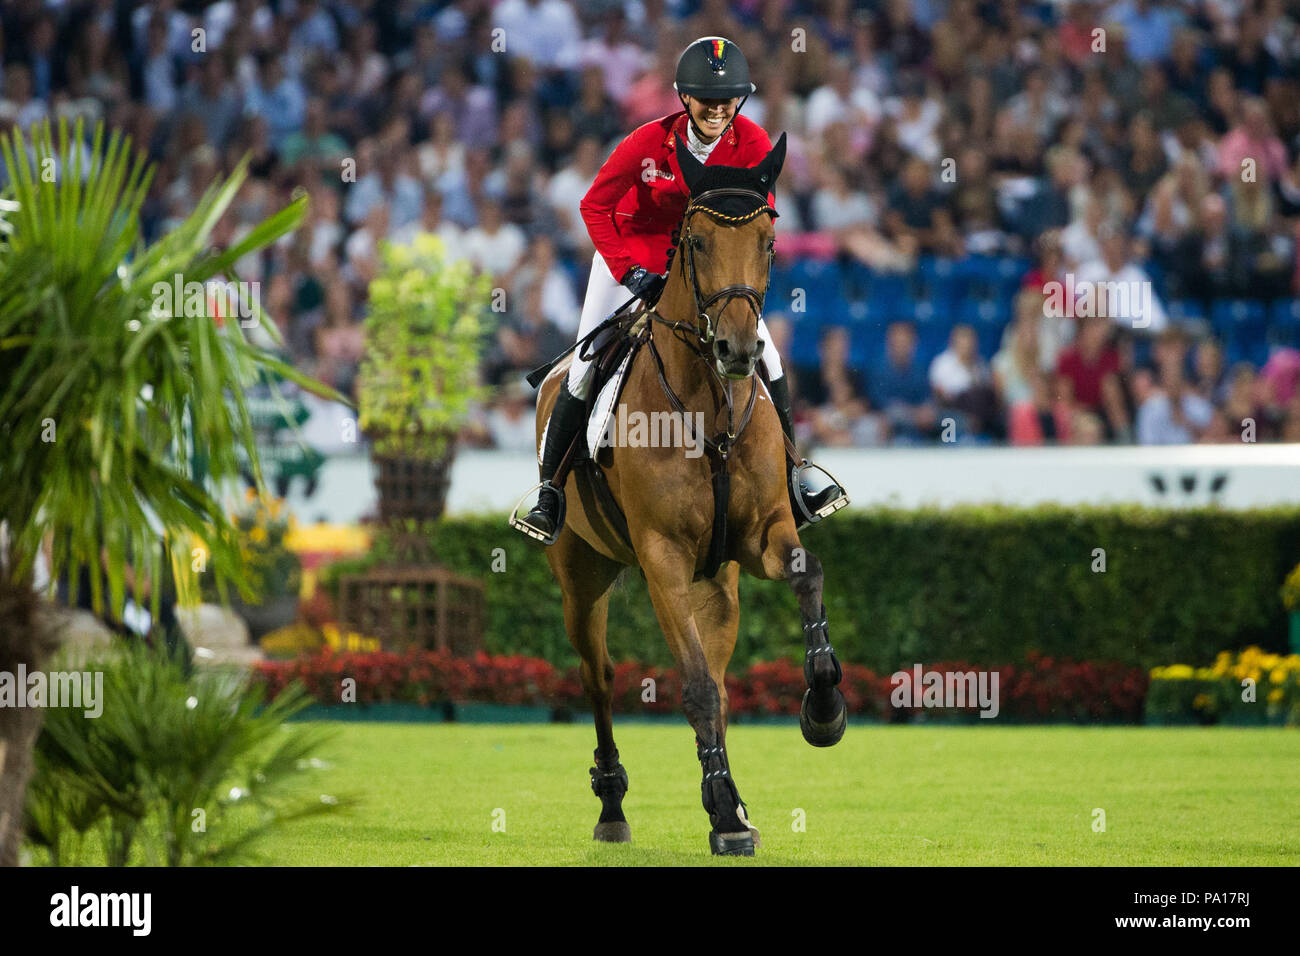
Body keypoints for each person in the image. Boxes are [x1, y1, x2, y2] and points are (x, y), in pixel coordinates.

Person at [512, 36, 847, 543]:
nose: (717, 110)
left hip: (708, 268)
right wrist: (628, 272)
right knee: (585, 361)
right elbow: (594, 207)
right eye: (706, 100)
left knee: (768, 356)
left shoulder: (755, 145)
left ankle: (796, 475)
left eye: (727, 101)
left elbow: (757, 224)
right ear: (683, 98)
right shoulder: (647, 142)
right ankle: (549, 492)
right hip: (632, 256)